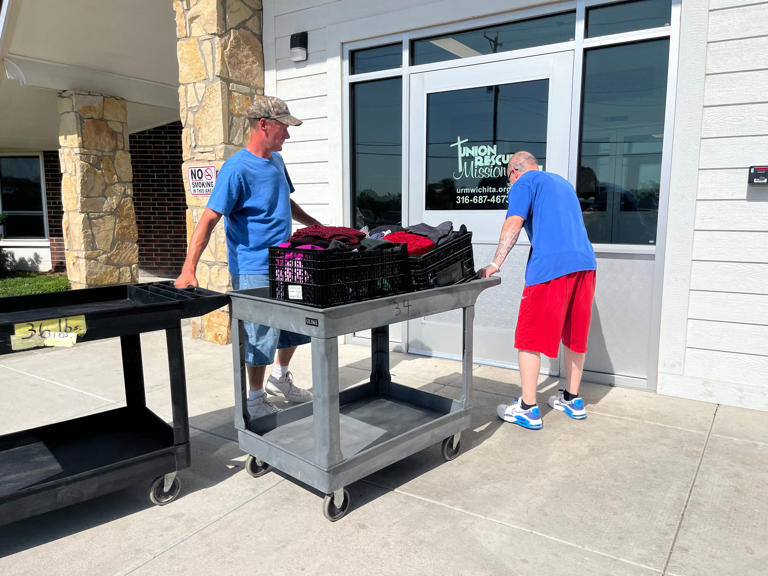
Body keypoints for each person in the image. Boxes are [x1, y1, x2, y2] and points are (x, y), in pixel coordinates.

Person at [175, 95, 321, 419]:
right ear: (263, 125)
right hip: (254, 267)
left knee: (294, 325)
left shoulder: (277, 162)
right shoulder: (235, 169)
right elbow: (209, 219)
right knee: (259, 334)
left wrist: (316, 225)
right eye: (284, 128)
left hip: (286, 261)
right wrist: (189, 268)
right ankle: (254, 400)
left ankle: (280, 377)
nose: (288, 135)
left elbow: (285, 201)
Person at [477, 151, 596, 429]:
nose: (510, 183)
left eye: (509, 178)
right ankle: (572, 399)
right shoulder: (563, 184)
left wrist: (495, 262)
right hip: (585, 264)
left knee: (529, 336)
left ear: (514, 171)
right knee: (575, 334)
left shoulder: (524, 183)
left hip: (550, 268)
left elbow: (514, 223)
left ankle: (529, 408)